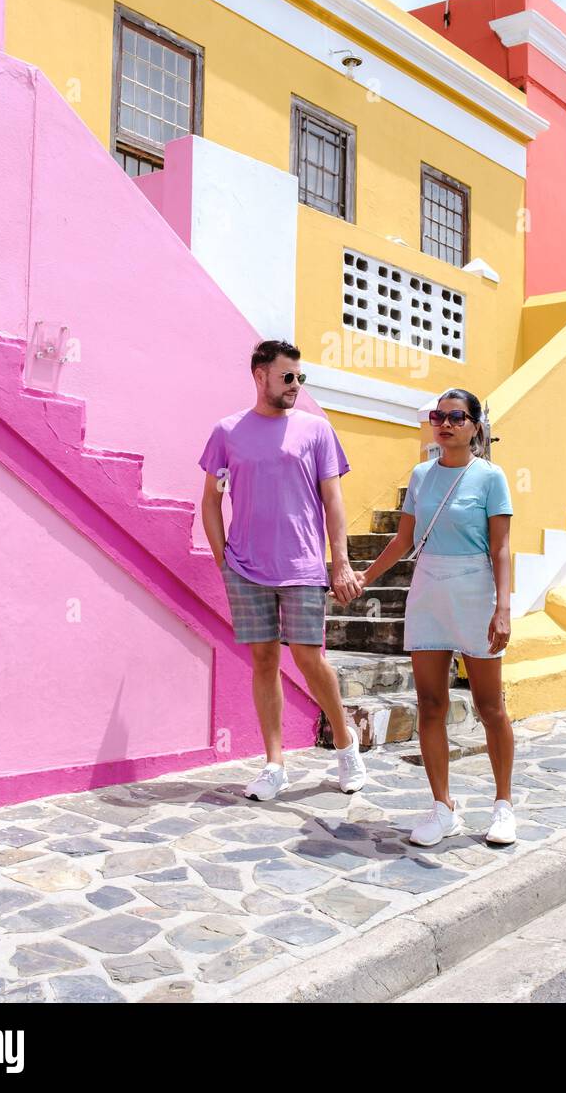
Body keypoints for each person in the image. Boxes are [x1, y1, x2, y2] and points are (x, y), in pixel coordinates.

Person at [199, 339, 367, 801]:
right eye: (287, 377)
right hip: (246, 569)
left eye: (300, 377)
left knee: (311, 660)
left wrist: (342, 562)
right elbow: (211, 500)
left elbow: (333, 500)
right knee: (264, 661)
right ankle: (274, 764)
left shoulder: (315, 431)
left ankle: (344, 740)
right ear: (260, 377)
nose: (296, 385)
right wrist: (223, 560)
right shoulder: (227, 432)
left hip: (302, 566)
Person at [357, 389, 516, 845]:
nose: (445, 424)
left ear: (475, 426)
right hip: (427, 588)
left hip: (473, 588)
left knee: (490, 706)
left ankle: (503, 804)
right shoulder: (422, 476)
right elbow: (403, 540)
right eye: (438, 416)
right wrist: (365, 576)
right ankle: (442, 807)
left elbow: (502, 547)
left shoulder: (490, 477)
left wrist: (502, 608)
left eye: (456, 417)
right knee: (429, 704)